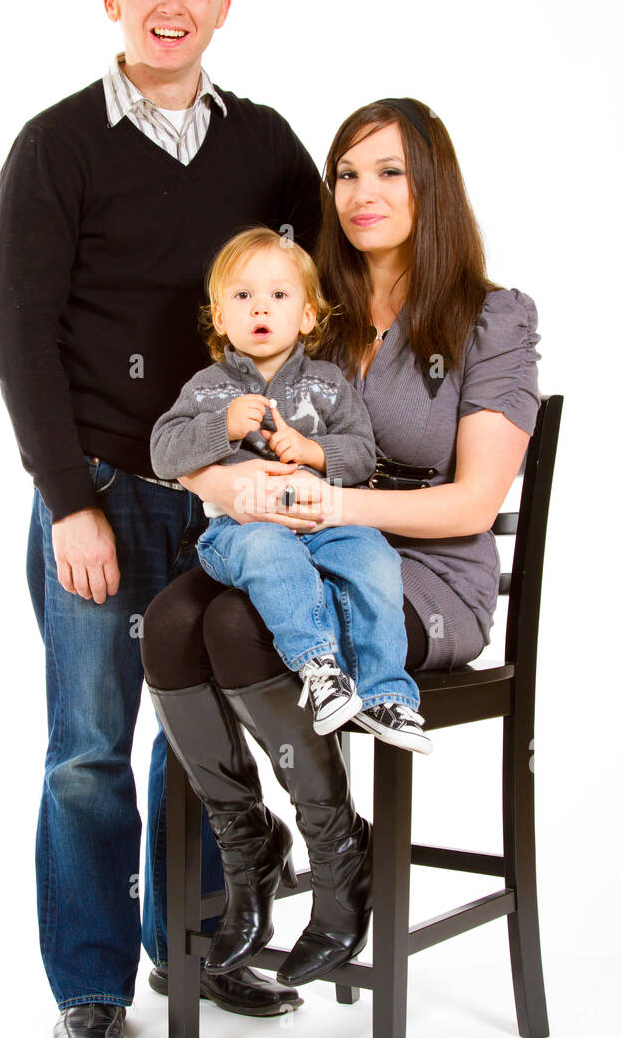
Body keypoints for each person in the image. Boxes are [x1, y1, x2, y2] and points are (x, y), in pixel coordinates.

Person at [0, 0, 323, 1038]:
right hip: (98, 483)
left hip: (224, 495)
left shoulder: (269, 145)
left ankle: (196, 955)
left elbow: (316, 308)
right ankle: (90, 985)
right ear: (112, 1)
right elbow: (18, 334)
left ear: (223, 5)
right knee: (87, 742)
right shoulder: (57, 144)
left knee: (201, 735)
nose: (170, 5)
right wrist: (65, 499)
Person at [141, 96, 541, 992]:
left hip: (423, 574)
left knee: (241, 630)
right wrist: (215, 479)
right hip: (288, 542)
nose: (363, 192)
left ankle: (337, 857)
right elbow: (199, 437)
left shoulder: (493, 318)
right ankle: (252, 850)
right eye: (347, 172)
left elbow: (474, 503)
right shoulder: (306, 306)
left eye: (389, 171)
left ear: (432, 184)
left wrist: (329, 503)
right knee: (169, 624)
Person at [148, 226, 432, 981]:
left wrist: (314, 454)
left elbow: (361, 454)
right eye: (242, 297)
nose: (261, 308)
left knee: (367, 550)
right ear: (219, 313)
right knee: (175, 623)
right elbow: (166, 452)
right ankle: (250, 849)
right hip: (243, 541)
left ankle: (369, 723)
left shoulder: (329, 386)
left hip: (320, 531)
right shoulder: (211, 388)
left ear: (309, 314)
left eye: (279, 296)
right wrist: (222, 428)